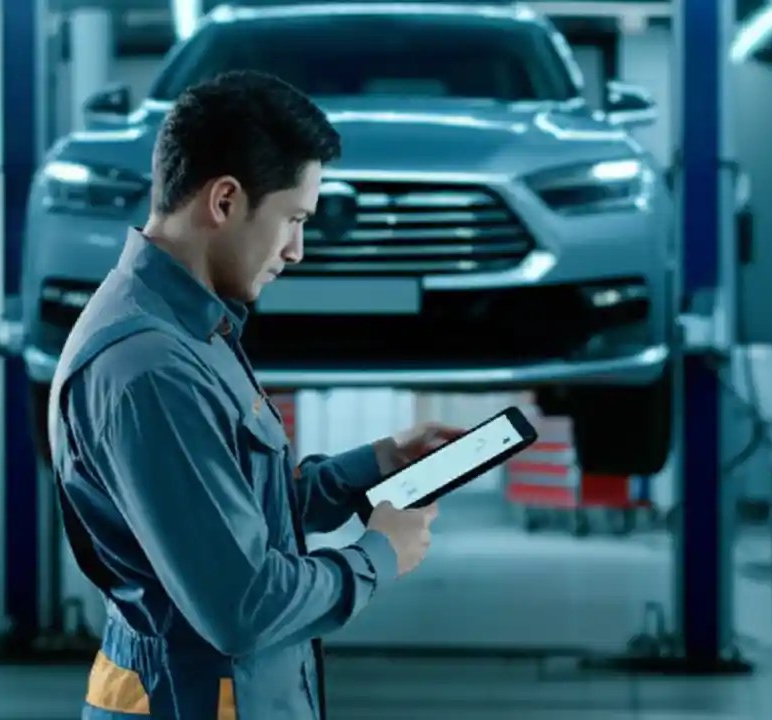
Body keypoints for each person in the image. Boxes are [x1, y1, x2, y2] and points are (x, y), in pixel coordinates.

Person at [48, 70, 462, 719]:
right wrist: (378, 553)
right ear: (224, 201)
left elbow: (230, 512)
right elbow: (242, 605)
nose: (296, 250)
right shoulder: (149, 367)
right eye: (293, 218)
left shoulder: (191, 329)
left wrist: (373, 465)